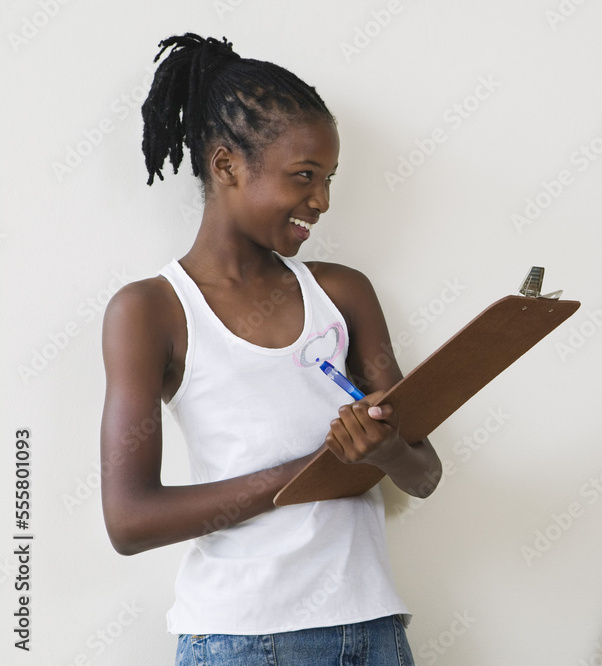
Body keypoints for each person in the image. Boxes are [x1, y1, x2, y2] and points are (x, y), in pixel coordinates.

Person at [100, 33, 441, 665]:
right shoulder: (150, 311)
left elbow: (424, 476)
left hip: (372, 631)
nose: (323, 201)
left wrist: (387, 448)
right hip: (239, 639)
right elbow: (129, 520)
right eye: (305, 176)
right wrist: (313, 473)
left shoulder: (345, 294)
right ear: (227, 165)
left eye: (330, 178)